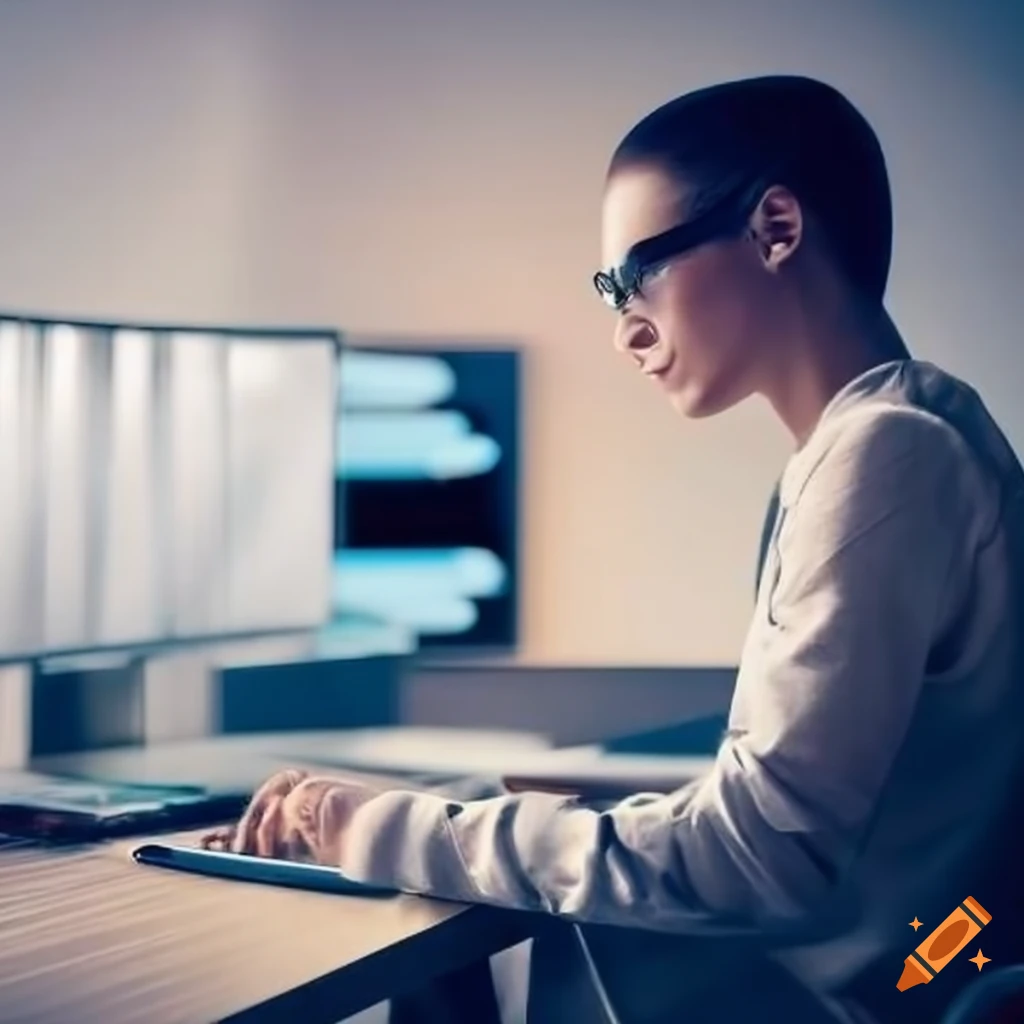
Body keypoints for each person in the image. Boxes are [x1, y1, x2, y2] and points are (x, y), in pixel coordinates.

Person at [204, 76, 1024, 1023]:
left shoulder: (886, 456)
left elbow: (757, 861)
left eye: (632, 278)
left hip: (848, 997)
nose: (626, 328)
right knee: (468, 847)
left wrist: (376, 825)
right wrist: (455, 816)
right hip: (891, 967)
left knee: (447, 885)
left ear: (777, 229)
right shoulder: (909, 433)